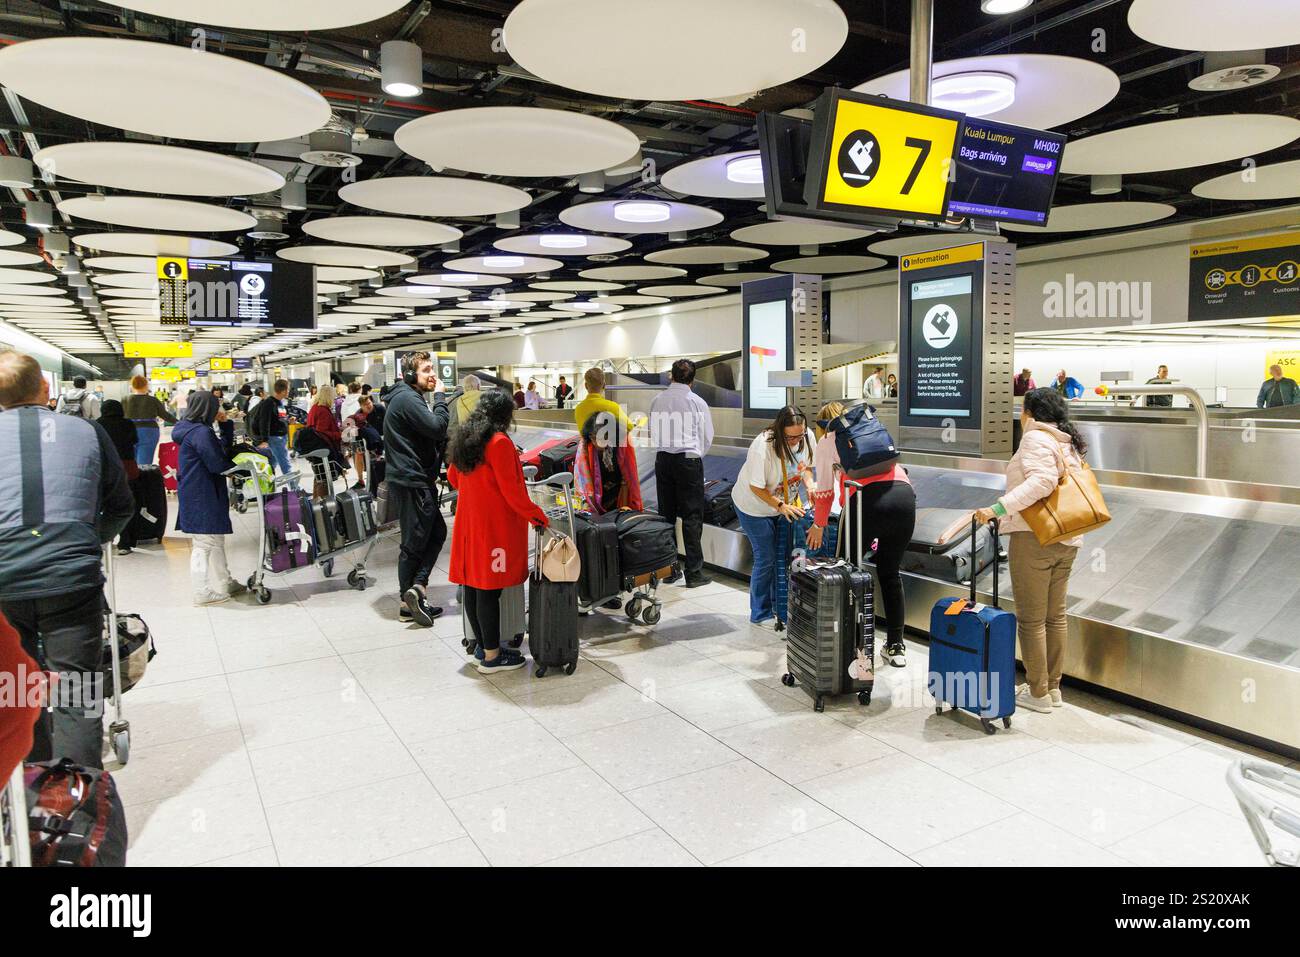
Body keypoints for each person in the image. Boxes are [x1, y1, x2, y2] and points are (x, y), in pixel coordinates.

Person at [0, 351, 133, 769]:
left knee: (19, 687)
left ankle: (30, 794)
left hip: (4, 582)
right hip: (72, 576)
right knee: (77, 690)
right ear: (45, 387)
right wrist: (87, 541)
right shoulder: (87, 432)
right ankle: (77, 806)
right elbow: (121, 505)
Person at [973, 388, 1088, 714]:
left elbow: (1042, 483)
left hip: (1034, 537)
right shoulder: (1067, 443)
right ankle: (1052, 688)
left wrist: (998, 507)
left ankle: (1037, 693)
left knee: (1033, 620)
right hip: (1066, 539)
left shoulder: (1036, 439)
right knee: (1055, 616)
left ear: (1030, 413)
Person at [447, 390, 548, 672]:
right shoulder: (500, 443)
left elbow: (454, 477)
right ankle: (492, 657)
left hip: (469, 524)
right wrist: (538, 517)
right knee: (489, 589)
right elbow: (513, 492)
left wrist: (477, 490)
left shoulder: (468, 439)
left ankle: (482, 645)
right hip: (493, 528)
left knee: (473, 586)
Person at [811, 401, 916, 667]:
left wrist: (819, 524)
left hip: (864, 502)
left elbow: (824, 492)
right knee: (890, 573)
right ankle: (895, 646)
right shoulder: (870, 429)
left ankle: (851, 644)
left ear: (823, 424)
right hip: (904, 499)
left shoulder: (827, 441)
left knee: (846, 573)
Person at [733, 407, 816, 628]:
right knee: (766, 557)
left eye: (800, 435)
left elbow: (805, 467)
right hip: (754, 507)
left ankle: (779, 607)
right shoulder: (763, 446)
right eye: (791, 437)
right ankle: (759, 613)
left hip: (784, 506)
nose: (796, 440)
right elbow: (756, 487)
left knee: (783, 557)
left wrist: (809, 485)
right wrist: (780, 505)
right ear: (779, 431)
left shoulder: (807, 437)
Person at [383, 351, 450, 626]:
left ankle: (416, 591)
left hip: (411, 478)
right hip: (412, 481)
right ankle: (407, 600)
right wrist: (441, 401)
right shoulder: (408, 399)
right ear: (410, 375)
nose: (433, 374)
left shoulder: (405, 398)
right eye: (426, 370)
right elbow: (437, 427)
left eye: (431, 368)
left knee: (435, 533)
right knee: (414, 542)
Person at [173, 391, 243, 606]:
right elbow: (216, 461)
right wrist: (236, 469)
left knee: (216, 538)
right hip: (201, 491)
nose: (218, 411)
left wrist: (226, 426)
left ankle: (225, 581)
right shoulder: (200, 432)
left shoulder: (190, 429)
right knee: (203, 543)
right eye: (215, 407)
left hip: (200, 488)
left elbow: (218, 449)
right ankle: (201, 592)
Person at [649, 358, 714, 588]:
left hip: (663, 459)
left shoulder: (657, 400)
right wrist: (694, 455)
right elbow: (707, 437)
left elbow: (652, 430)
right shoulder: (697, 402)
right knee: (692, 517)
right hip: (688, 461)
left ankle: (670, 569)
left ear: (671, 376)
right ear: (693, 380)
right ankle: (694, 573)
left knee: (665, 514)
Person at [576, 410, 642, 515]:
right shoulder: (585, 447)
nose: (596, 443)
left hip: (618, 492)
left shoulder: (622, 442)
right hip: (596, 492)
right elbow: (583, 480)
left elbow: (629, 475)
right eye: (593, 438)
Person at [97, 400, 140, 555]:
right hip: (127, 467)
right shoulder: (127, 423)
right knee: (125, 504)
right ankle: (125, 543)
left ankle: (103, 539)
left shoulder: (98, 424)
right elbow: (135, 441)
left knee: (101, 505)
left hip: (105, 468)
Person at [122, 373, 177, 466]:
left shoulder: (125, 399)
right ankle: (143, 478)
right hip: (149, 431)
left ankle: (132, 479)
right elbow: (165, 415)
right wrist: (179, 422)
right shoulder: (152, 400)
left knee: (130, 461)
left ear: (132, 386)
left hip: (128, 431)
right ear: (146, 385)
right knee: (145, 462)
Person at [249, 378, 295, 483]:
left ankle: (264, 486)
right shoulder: (269, 403)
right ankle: (296, 490)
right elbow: (264, 422)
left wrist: (288, 421)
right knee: (286, 465)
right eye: (288, 389)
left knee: (271, 464)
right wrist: (264, 440)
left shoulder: (280, 403)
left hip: (281, 438)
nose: (289, 392)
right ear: (283, 391)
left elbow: (278, 420)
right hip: (275, 439)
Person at [574, 366, 637, 434]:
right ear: (604, 385)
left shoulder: (578, 409)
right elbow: (629, 427)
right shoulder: (613, 407)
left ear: (586, 386)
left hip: (587, 445)